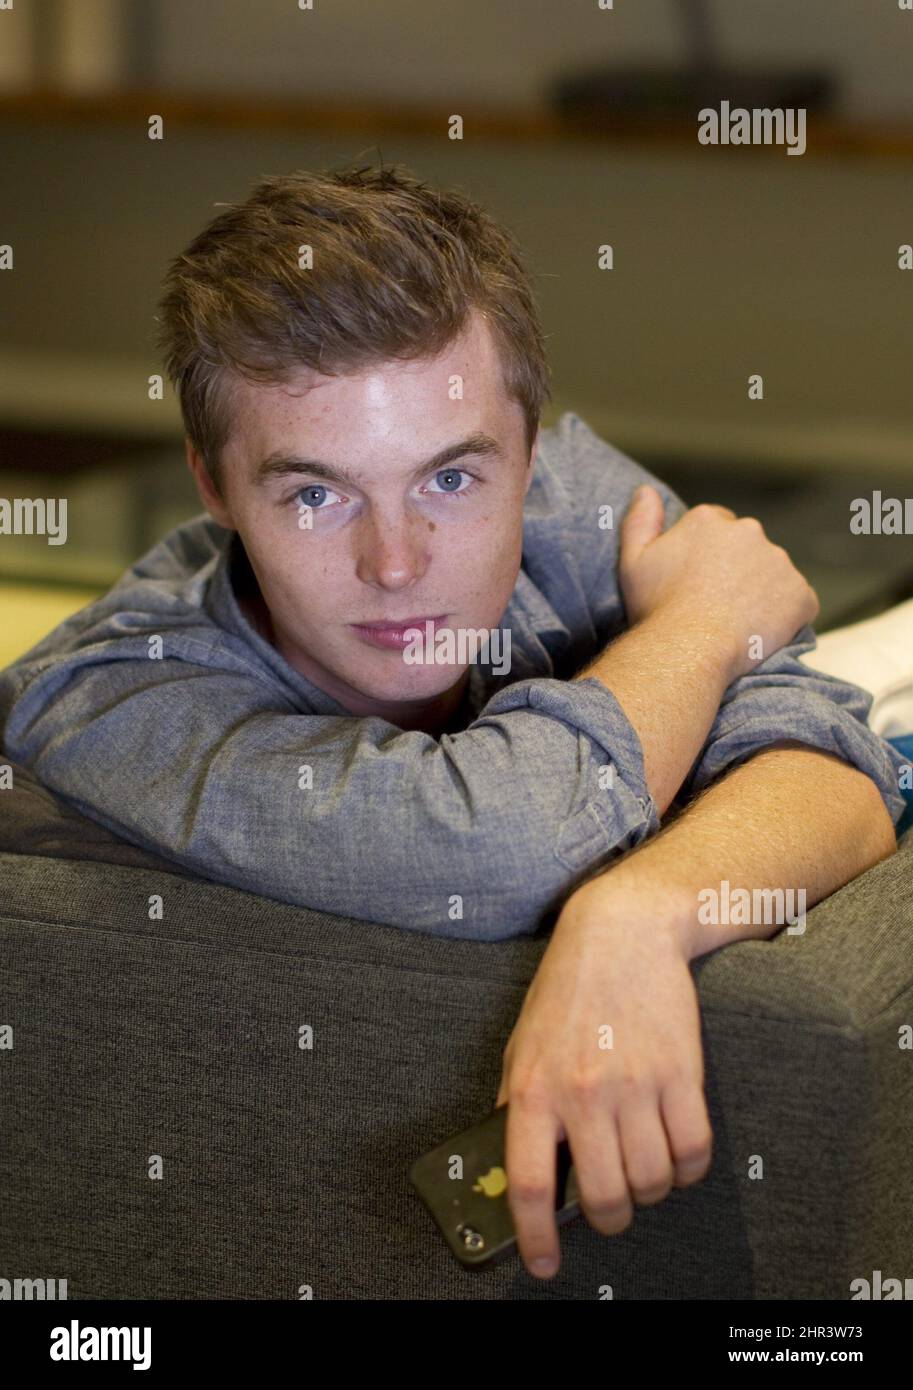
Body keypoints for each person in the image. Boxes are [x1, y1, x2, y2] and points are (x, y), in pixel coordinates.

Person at [0, 164, 907, 1283]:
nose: (395, 564)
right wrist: (709, 621)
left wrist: (634, 914)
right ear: (212, 487)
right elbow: (497, 845)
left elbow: (837, 764)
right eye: (314, 495)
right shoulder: (104, 694)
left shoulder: (577, 501)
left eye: (451, 479)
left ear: (531, 452)